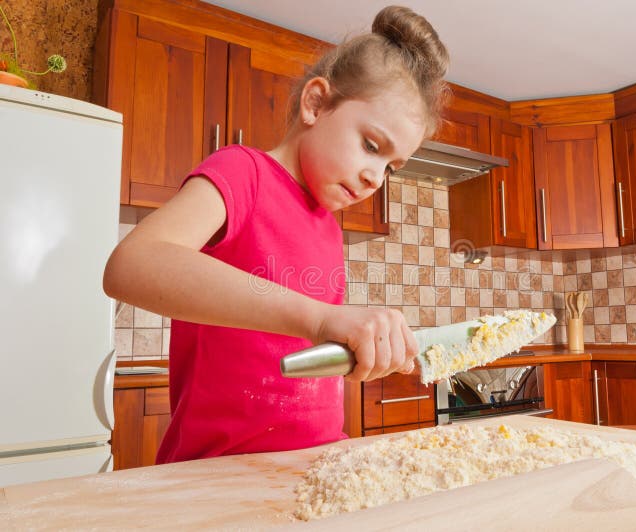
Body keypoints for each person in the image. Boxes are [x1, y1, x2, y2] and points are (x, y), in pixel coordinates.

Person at [103, 5, 450, 464]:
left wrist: (362, 349)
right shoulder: (242, 171)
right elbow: (132, 265)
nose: (376, 178)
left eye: (392, 166)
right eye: (370, 145)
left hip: (314, 465)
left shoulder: (328, 225)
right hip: (220, 474)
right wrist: (322, 319)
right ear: (316, 103)